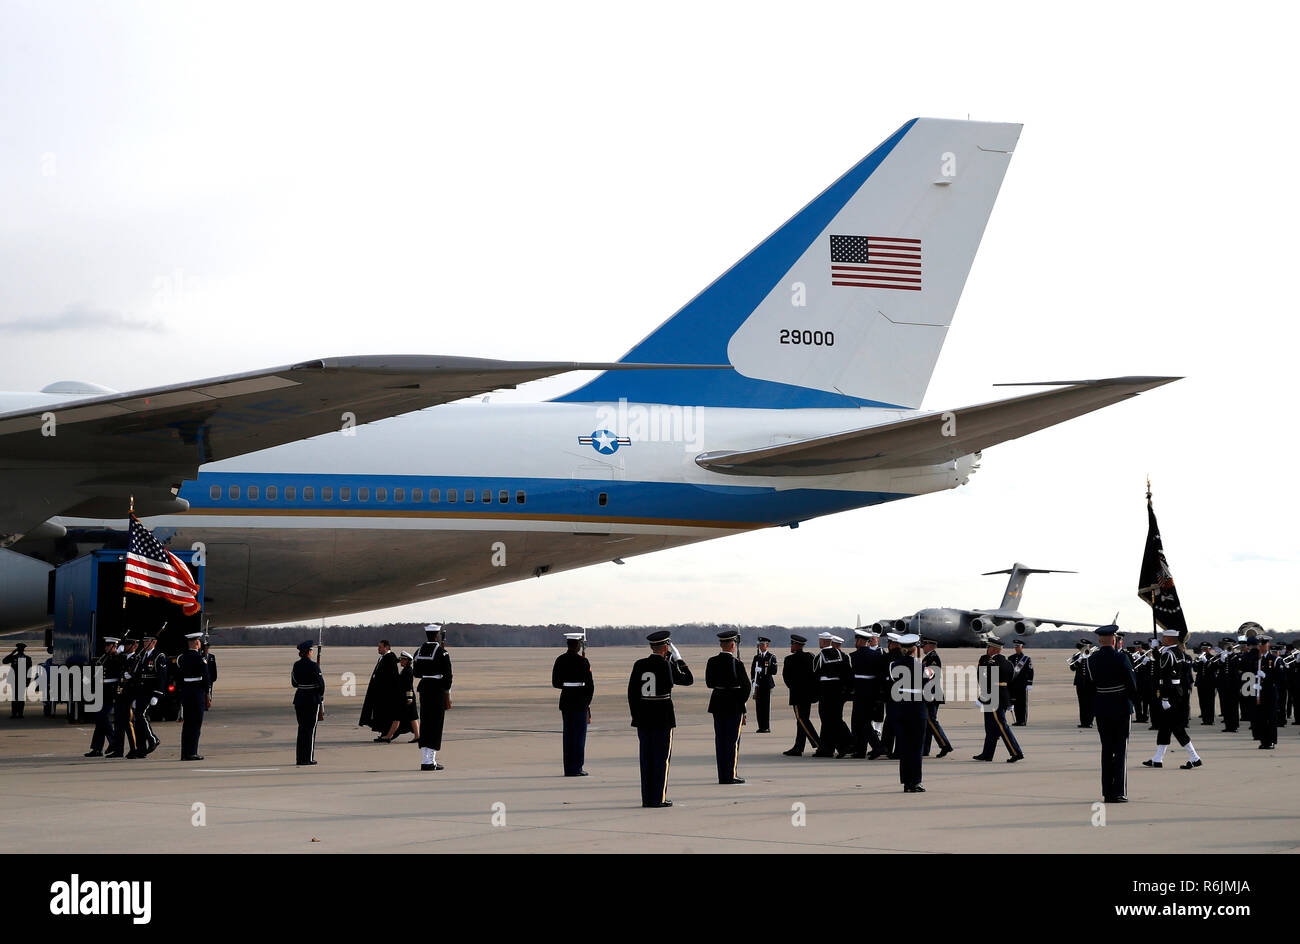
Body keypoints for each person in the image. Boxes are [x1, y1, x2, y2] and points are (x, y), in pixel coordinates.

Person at [627, 630, 693, 808]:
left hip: (643, 717)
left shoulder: (639, 664)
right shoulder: (666, 665)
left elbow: (632, 693)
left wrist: (636, 716)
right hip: (662, 717)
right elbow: (688, 680)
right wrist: (678, 660)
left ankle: (647, 798)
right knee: (661, 759)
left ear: (651, 646)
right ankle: (659, 798)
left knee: (646, 759)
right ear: (666, 647)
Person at [1081, 625, 1138, 803]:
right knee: (1120, 750)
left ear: (1100, 640)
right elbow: (1132, 685)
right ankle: (1119, 792)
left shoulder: (1091, 660)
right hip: (1121, 707)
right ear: (1114, 640)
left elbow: (1088, 687)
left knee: (1107, 750)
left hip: (1102, 708)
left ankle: (1107, 792)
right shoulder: (1122, 658)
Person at [1142, 627, 1202, 770]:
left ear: (1169, 639)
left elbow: (1165, 674)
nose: (1162, 639)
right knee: (1164, 726)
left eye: (1164, 638)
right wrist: (1156, 650)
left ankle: (1195, 757)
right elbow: (1162, 664)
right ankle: (1158, 758)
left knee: (1176, 726)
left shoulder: (1169, 654)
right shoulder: (1176, 652)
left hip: (1170, 693)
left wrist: (1165, 699)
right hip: (1176, 691)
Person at [705, 630, 749, 784]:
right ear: (732, 645)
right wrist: (742, 704)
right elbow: (746, 687)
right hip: (734, 705)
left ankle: (722, 775)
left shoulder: (712, 661)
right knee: (732, 741)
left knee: (721, 740)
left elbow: (710, 683)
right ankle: (730, 774)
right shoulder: (737, 663)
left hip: (718, 704)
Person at [888, 633, 927, 792]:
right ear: (915, 649)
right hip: (917, 708)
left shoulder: (893, 665)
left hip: (901, 708)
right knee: (916, 747)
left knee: (904, 747)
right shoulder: (922, 667)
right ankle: (916, 781)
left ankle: (906, 782)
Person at [974, 638, 1023, 763]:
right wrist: (1009, 700)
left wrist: (982, 697)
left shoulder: (990, 662)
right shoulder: (1008, 663)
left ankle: (1016, 752)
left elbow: (987, 682)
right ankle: (987, 753)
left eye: (989, 647)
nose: (988, 650)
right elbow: (1010, 682)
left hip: (993, 697)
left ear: (994, 649)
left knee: (1001, 726)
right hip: (1003, 696)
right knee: (991, 727)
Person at [551, 632, 593, 776]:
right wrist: (587, 702)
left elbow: (556, 683)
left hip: (566, 701)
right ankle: (577, 768)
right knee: (579, 737)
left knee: (568, 737)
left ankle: (568, 768)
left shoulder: (560, 660)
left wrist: (568, 685)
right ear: (578, 645)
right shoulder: (583, 661)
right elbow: (590, 685)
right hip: (580, 702)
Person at [412, 625, 453, 771]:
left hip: (424, 689)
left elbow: (415, 672)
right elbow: (448, 677)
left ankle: (426, 759)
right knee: (435, 725)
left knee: (426, 723)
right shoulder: (442, 652)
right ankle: (430, 761)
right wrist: (446, 690)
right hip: (437, 690)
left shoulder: (419, 651)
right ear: (436, 636)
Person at [811, 633, 852, 758]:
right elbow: (848, 672)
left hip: (826, 691)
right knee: (834, 718)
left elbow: (815, 675)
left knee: (829, 719)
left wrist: (815, 694)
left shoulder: (820, 657)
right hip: (839, 691)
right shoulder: (841, 654)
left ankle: (846, 744)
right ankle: (826, 748)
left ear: (823, 642)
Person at [127, 633, 167, 758]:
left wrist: (157, 694)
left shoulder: (158, 656)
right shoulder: (142, 655)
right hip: (140, 692)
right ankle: (141, 748)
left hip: (150, 692)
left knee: (141, 715)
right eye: (144, 642)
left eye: (147, 642)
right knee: (138, 720)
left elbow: (161, 677)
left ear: (153, 642)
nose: (144, 644)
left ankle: (153, 739)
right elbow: (139, 674)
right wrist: (132, 676)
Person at [849, 628, 886, 759]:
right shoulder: (876, 655)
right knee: (862, 721)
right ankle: (860, 750)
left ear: (860, 641)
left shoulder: (853, 656)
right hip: (872, 693)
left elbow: (850, 677)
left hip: (860, 693)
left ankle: (877, 746)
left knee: (862, 722)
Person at [781, 634, 819, 757]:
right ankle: (798, 747)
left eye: (792, 644)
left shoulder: (789, 659)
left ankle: (818, 743)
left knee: (802, 720)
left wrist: (794, 688)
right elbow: (815, 675)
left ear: (796, 645)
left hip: (798, 695)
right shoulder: (810, 657)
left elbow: (787, 678)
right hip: (808, 695)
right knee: (801, 721)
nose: (791, 646)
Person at [176, 632, 212, 761]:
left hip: (186, 692)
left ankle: (184, 753)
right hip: (197, 693)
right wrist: (207, 695)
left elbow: (179, 678)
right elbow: (206, 679)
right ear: (197, 643)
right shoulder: (200, 659)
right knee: (196, 725)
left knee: (187, 725)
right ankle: (192, 752)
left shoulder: (182, 658)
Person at [84, 636, 121, 757]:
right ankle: (97, 748)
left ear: (114, 647)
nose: (106, 647)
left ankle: (114, 741)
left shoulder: (118, 658)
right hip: (102, 691)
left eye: (109, 646)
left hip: (111, 691)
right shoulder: (104, 657)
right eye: (106, 645)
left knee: (103, 717)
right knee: (99, 720)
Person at [359, 640, 402, 742]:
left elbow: (391, 677)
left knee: (386, 715)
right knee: (380, 714)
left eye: (380, 647)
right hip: (380, 693)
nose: (378, 649)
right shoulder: (383, 658)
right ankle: (384, 733)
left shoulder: (390, 658)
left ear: (386, 647)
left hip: (386, 694)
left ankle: (387, 734)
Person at [291, 639, 325, 766]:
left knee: (302, 729)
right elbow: (321, 684)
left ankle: (300, 758)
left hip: (300, 698)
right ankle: (308, 758)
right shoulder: (313, 665)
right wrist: (320, 696)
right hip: (312, 699)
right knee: (310, 730)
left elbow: (294, 683)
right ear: (309, 652)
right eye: (311, 650)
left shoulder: (296, 665)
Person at [107, 636, 139, 758]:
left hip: (129, 696)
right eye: (124, 645)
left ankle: (134, 749)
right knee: (118, 724)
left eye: (127, 645)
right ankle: (118, 750)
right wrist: (117, 652)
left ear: (134, 646)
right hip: (120, 694)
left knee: (128, 723)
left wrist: (135, 697)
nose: (125, 647)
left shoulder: (137, 659)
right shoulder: (123, 658)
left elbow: (138, 679)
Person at [920, 638, 952, 758]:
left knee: (930, 721)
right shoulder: (929, 657)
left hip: (931, 694)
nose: (923, 647)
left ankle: (945, 745)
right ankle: (925, 749)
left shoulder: (932, 658)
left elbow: (930, 676)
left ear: (931, 646)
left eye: (924, 645)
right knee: (928, 723)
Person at [1252, 636, 1279, 750]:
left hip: (1271, 693)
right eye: (1259, 645)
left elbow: (1279, 678)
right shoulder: (1258, 659)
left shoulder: (1275, 659)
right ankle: (1264, 740)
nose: (1261, 647)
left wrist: (1266, 677)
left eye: (1263, 645)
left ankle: (1271, 741)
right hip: (1260, 693)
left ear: (1267, 645)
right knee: (1261, 718)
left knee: (1271, 718)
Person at [749, 637, 777, 733]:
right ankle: (761, 726)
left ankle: (766, 727)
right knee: (759, 707)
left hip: (767, 685)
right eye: (760, 644)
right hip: (758, 685)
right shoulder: (756, 657)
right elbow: (752, 671)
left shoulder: (771, 657)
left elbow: (774, 671)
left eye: (763, 644)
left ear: (767, 645)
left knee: (765, 706)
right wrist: (754, 681)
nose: (761, 646)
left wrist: (763, 670)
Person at [1007, 638, 1034, 725]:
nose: (1016, 648)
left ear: (1022, 647)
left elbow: (1030, 671)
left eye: (1018, 646)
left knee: (1022, 703)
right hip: (1013, 684)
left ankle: (1023, 720)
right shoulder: (1010, 658)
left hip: (1022, 685)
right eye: (1015, 647)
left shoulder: (1026, 659)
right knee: (1015, 702)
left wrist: (1029, 683)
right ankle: (1018, 720)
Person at [395, 652, 421, 743]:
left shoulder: (408, 671)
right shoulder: (405, 669)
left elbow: (409, 685)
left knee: (404, 716)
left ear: (407, 661)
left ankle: (388, 736)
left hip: (408, 697)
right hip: (406, 697)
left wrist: (409, 698)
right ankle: (417, 736)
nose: (401, 661)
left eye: (402, 659)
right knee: (412, 717)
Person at [1068, 639, 1094, 728]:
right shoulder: (1076, 656)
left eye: (1085, 646)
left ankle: (1089, 721)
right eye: (1082, 646)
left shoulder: (1093, 655)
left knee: (1090, 703)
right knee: (1082, 703)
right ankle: (1083, 722)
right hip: (1080, 683)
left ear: (1089, 646)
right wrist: (1078, 661)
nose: (1083, 648)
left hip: (1090, 683)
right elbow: (1072, 668)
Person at [1215, 638, 1239, 732]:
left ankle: (1234, 725)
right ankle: (1228, 726)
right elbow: (1216, 668)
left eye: (1229, 646)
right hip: (1223, 685)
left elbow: (1236, 669)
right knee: (1226, 706)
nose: (1228, 648)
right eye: (1226, 646)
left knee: (1233, 706)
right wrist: (1222, 660)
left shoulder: (1235, 657)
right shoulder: (1221, 656)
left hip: (1233, 685)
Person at [3, 643, 32, 718]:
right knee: (15, 697)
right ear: (17, 649)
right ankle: (14, 714)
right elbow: (4, 661)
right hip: (14, 680)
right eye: (19, 649)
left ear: (23, 649)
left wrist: (28, 681)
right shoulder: (13, 657)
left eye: (21, 649)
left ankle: (20, 714)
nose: (20, 650)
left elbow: (29, 671)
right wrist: (12, 653)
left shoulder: (28, 658)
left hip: (22, 680)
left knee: (21, 698)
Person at [1194, 641, 1218, 726]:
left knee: (1210, 702)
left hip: (1210, 682)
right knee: (1202, 702)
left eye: (1205, 649)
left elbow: (1214, 668)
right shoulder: (1200, 657)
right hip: (1201, 682)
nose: (1204, 650)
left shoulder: (1213, 658)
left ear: (1210, 649)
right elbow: (1195, 669)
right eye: (1202, 649)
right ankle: (1204, 719)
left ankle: (1210, 720)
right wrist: (1196, 662)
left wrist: (1206, 661)